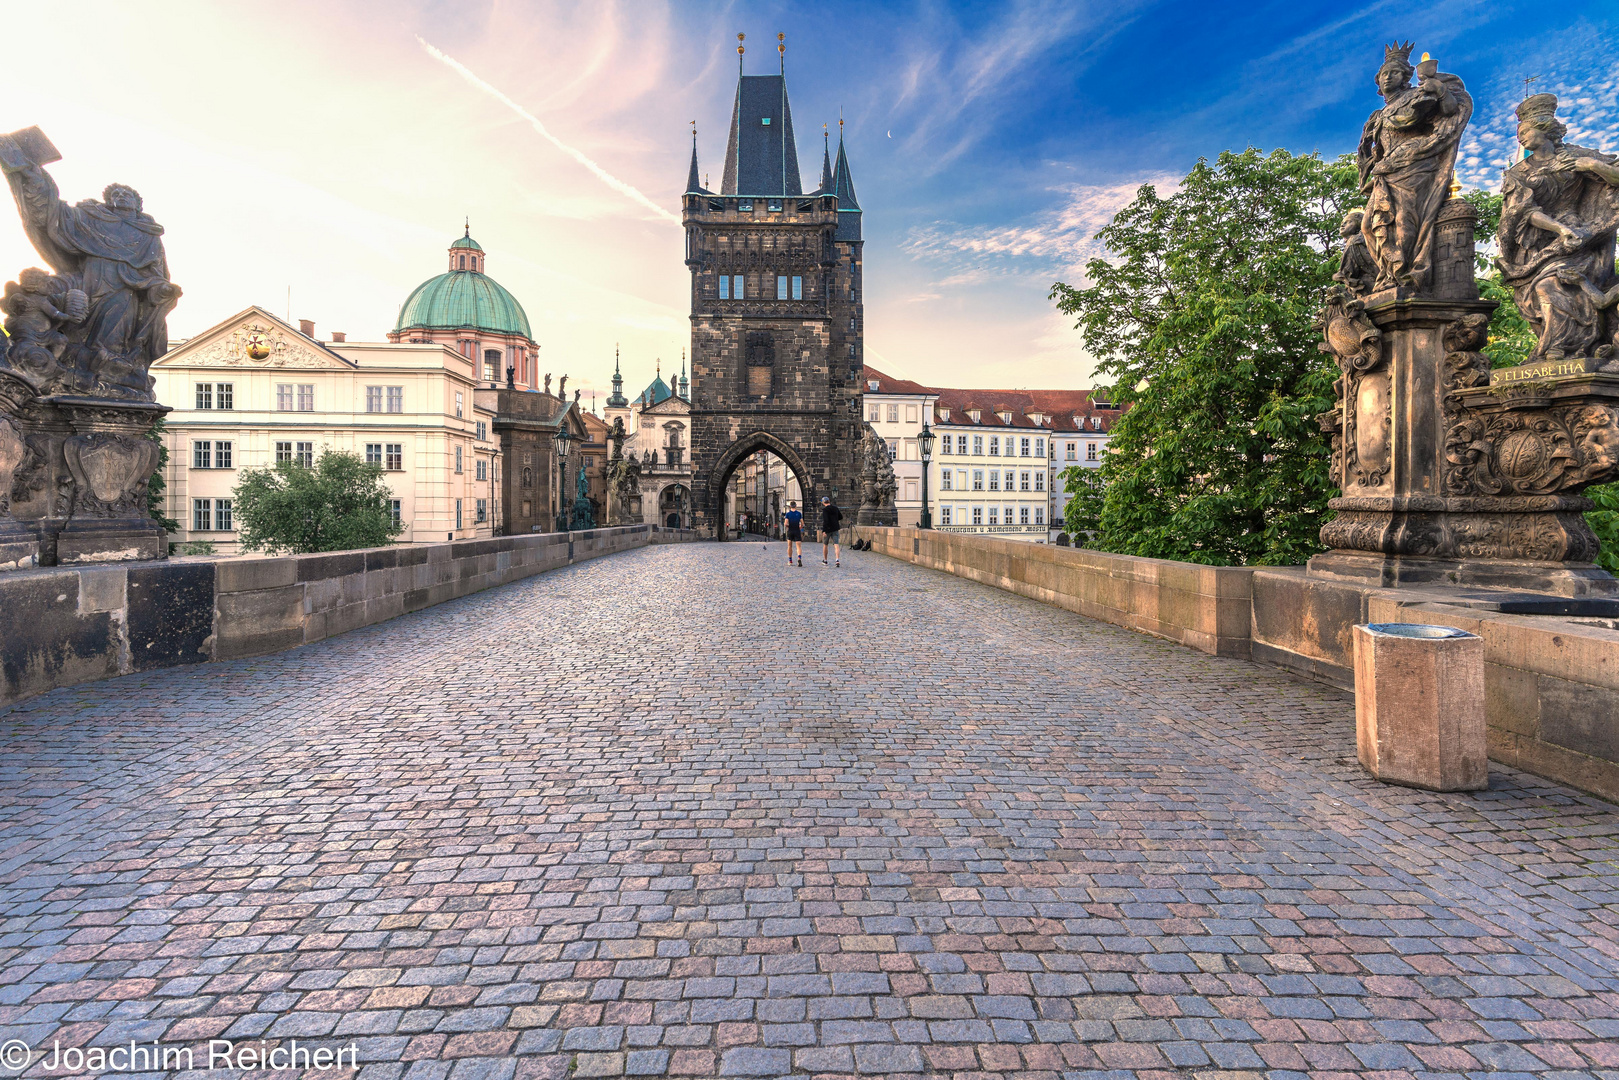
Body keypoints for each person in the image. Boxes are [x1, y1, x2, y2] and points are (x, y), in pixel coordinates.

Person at [820, 495, 843, 567]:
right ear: (829, 501)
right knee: (836, 544)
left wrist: (824, 530)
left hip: (828, 529)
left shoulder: (825, 510)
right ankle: (837, 560)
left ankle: (825, 560)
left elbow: (825, 521)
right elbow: (840, 517)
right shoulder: (835, 508)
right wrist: (835, 520)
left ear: (823, 503)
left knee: (825, 544)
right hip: (835, 528)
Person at [783, 500, 803, 567]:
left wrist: (788, 526)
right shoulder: (799, 513)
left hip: (790, 530)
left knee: (789, 546)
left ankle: (790, 560)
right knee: (798, 546)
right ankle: (799, 558)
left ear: (790, 506)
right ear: (796, 506)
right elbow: (802, 523)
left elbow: (785, 523)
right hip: (797, 530)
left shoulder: (788, 514)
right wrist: (800, 526)